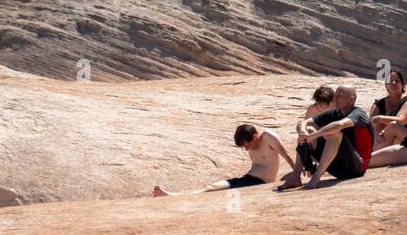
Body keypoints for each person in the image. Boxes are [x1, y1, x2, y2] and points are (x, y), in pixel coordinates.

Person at [153, 124, 294, 195]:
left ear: (255, 136)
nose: (247, 149)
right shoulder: (253, 144)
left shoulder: (269, 137)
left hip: (259, 182)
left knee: (211, 189)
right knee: (210, 187)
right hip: (248, 179)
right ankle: (173, 195)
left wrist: (296, 175)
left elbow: (286, 155)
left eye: (247, 145)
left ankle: (172, 195)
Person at [280, 84, 375, 189]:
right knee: (308, 130)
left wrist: (314, 135)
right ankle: (295, 177)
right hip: (337, 169)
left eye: (339, 95)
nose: (335, 98)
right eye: (335, 95)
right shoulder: (333, 113)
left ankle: (316, 178)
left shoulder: (358, 113)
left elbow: (340, 125)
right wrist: (303, 132)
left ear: (351, 100)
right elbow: (304, 122)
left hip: (356, 168)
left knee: (334, 133)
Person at [369, 68, 407, 150]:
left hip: (406, 141)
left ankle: (373, 156)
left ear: (403, 84)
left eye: (397, 81)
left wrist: (380, 119)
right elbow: (371, 123)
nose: (393, 83)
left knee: (393, 126)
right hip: (384, 140)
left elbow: (401, 120)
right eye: (390, 81)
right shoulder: (378, 104)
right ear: (386, 85)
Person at [294, 85, 334, 160]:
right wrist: (303, 132)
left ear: (331, 102)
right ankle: (303, 163)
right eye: (318, 103)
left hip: (331, 144)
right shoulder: (313, 109)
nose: (320, 107)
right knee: (302, 135)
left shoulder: (338, 110)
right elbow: (305, 125)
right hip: (315, 139)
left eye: (323, 104)